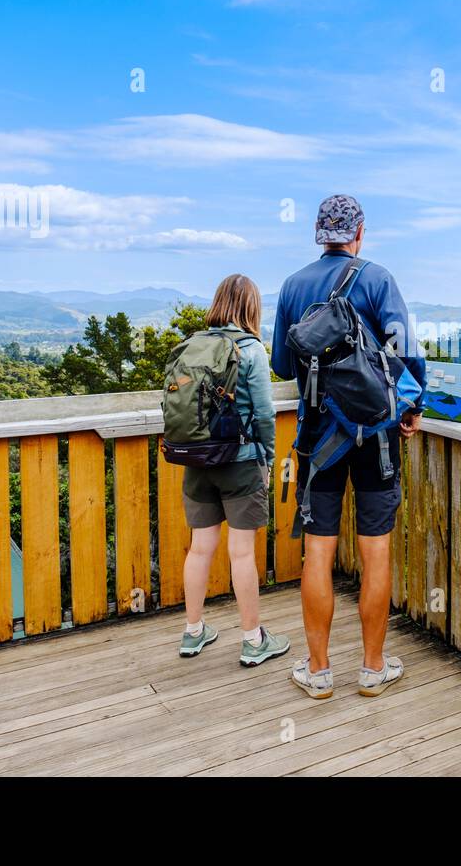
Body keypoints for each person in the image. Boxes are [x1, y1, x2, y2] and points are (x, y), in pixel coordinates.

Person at [271, 195, 425, 699]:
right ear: (359, 232)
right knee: (375, 551)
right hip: (376, 436)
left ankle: (317, 673)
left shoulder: (294, 286)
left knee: (317, 552)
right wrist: (410, 409)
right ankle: (373, 668)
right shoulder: (378, 279)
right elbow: (404, 349)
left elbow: (282, 364)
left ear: (318, 233)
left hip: (317, 439)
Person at [178, 274, 291, 667]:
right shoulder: (252, 350)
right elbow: (263, 413)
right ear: (251, 308)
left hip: (196, 460)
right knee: (241, 554)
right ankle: (252, 639)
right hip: (240, 462)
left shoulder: (193, 344)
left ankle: (193, 633)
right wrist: (268, 459)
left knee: (199, 548)